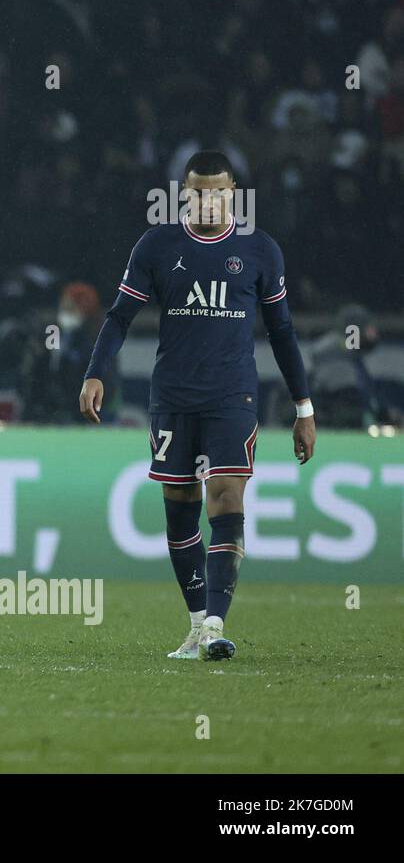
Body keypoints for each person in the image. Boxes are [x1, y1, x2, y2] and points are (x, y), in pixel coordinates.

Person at [80, 150, 317, 662]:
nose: (209, 201)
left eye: (219, 191)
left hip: (233, 395)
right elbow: (121, 316)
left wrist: (304, 406)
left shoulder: (259, 250)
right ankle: (195, 627)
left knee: (227, 499)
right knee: (180, 514)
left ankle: (215, 623)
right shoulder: (158, 244)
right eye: (198, 192)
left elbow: (281, 331)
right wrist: (96, 371)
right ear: (184, 194)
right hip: (173, 397)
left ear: (234, 193)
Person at [18, 282, 116, 424]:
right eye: (64, 306)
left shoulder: (97, 338)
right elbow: (30, 374)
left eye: (72, 308)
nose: (65, 311)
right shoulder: (48, 331)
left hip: (80, 417)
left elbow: (107, 384)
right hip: (42, 413)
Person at [305, 304, 399, 429]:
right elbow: (349, 409)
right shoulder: (337, 364)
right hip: (336, 434)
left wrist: (383, 413)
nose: (374, 333)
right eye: (369, 328)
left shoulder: (351, 359)